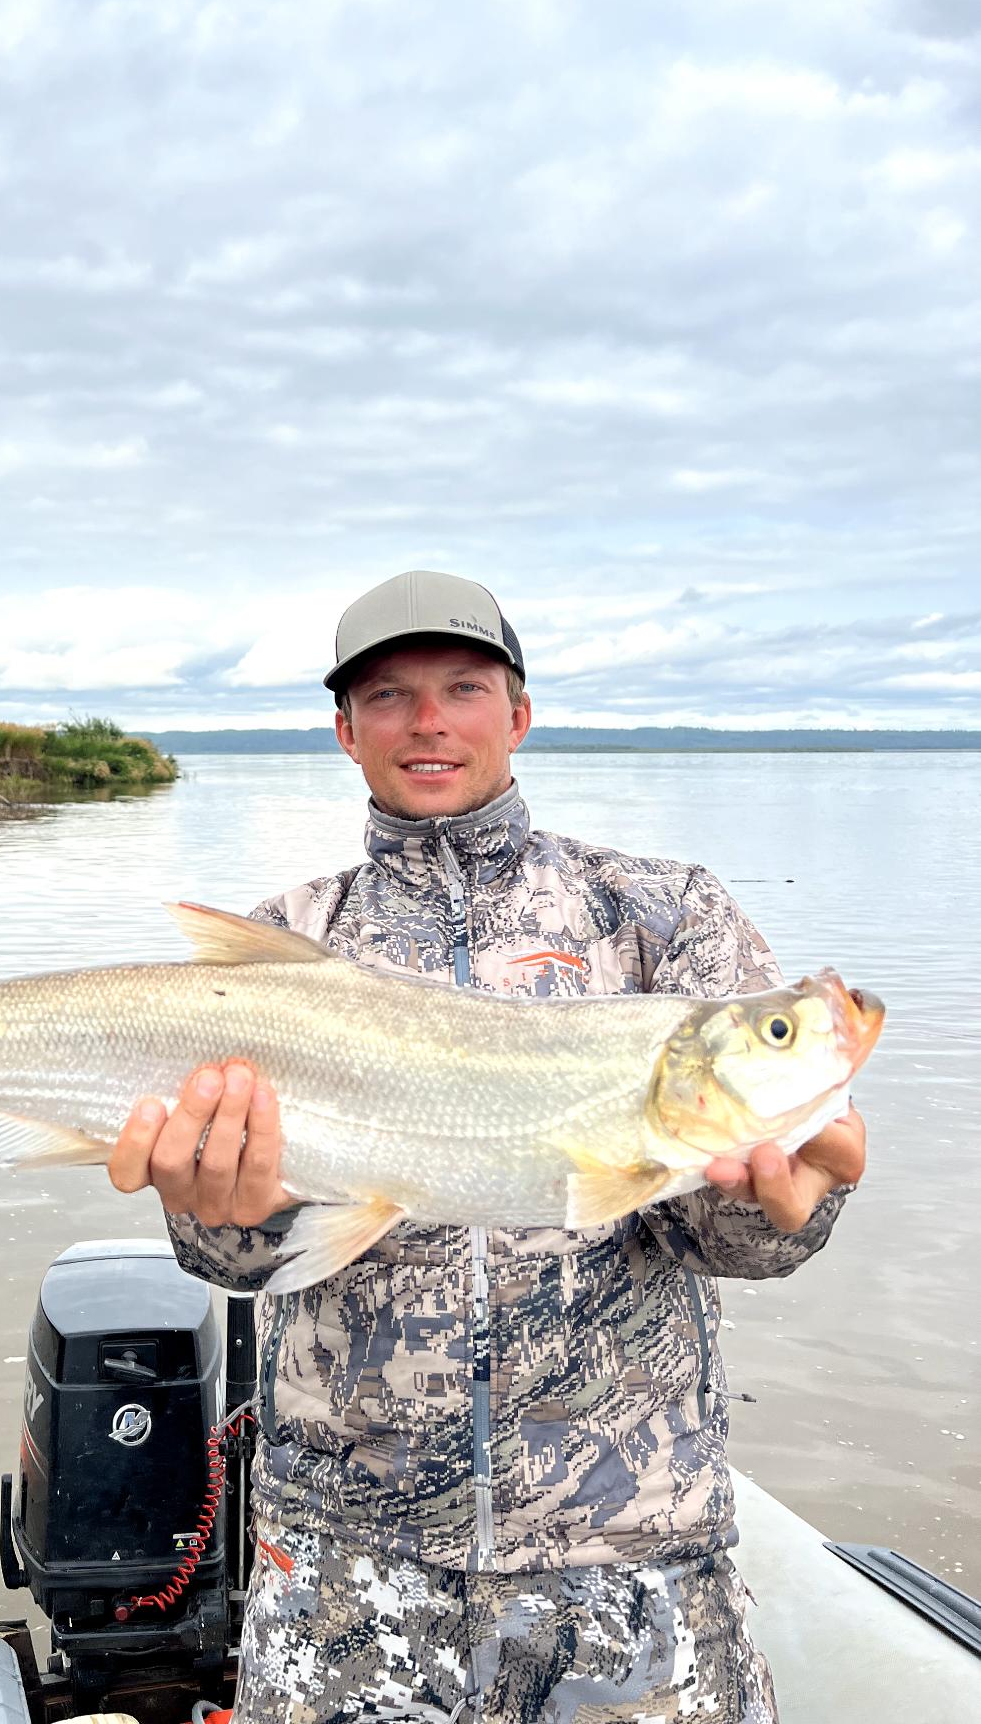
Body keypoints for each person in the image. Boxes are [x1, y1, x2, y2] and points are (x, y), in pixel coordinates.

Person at [108, 570, 866, 1724]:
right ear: (344, 730)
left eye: (463, 686)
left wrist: (782, 1201)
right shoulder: (283, 940)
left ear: (518, 712)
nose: (428, 720)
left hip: (632, 1544)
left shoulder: (660, 917)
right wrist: (221, 1208)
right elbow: (237, 1259)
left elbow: (729, 1235)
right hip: (350, 1563)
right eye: (389, 693)